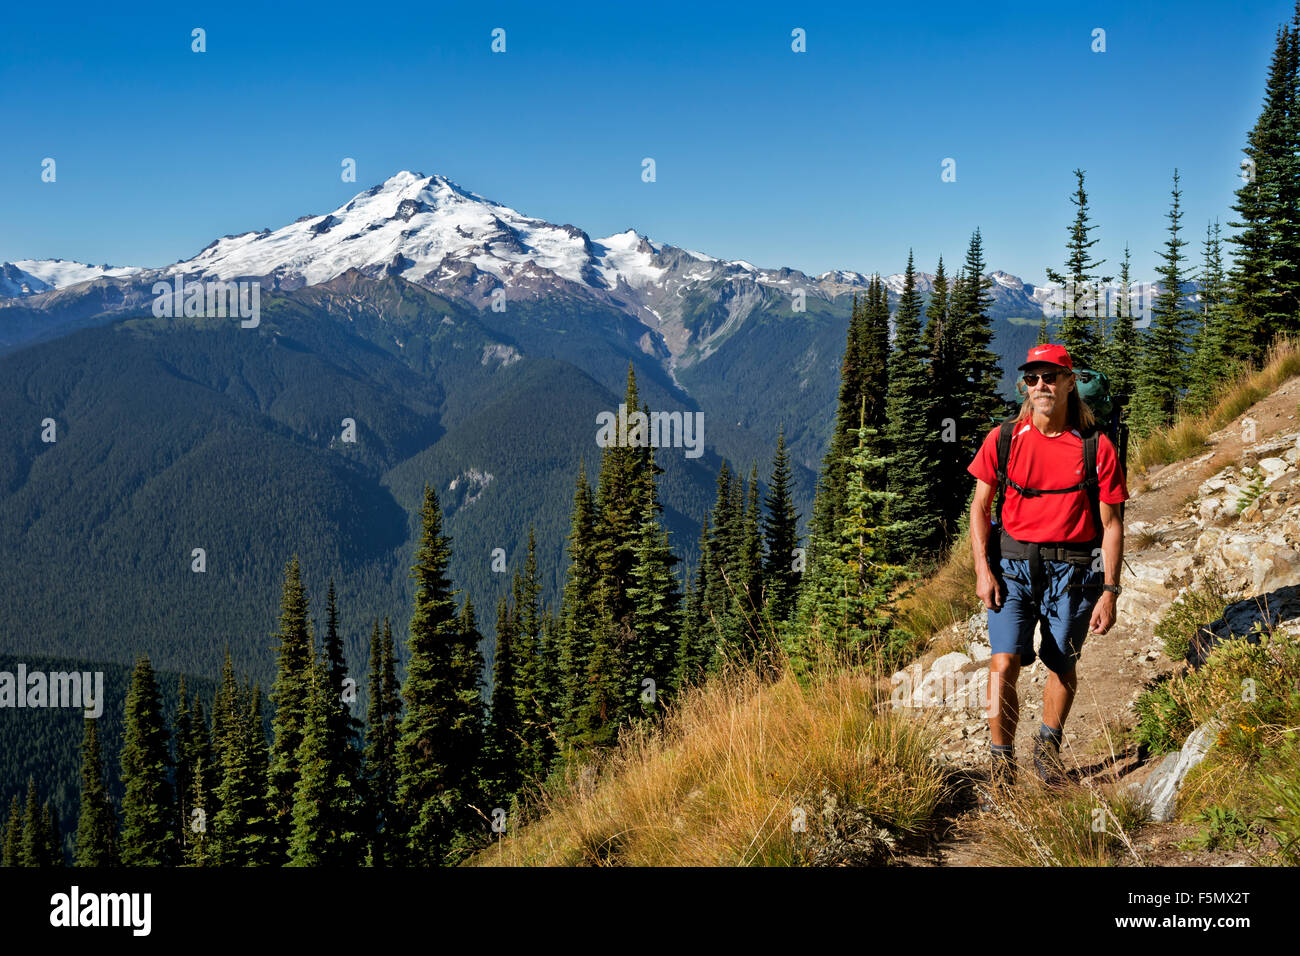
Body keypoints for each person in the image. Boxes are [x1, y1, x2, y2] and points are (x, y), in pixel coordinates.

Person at [966, 343, 1128, 802]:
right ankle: (1001, 761)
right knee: (1003, 663)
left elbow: (1112, 525)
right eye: (1032, 378)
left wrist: (1110, 592)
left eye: (1051, 376)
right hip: (1011, 565)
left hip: (1075, 570)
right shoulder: (1004, 438)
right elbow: (979, 507)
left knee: (1062, 663)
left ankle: (1048, 748)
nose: (1041, 386)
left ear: (1070, 382)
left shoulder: (1097, 446)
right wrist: (983, 569)